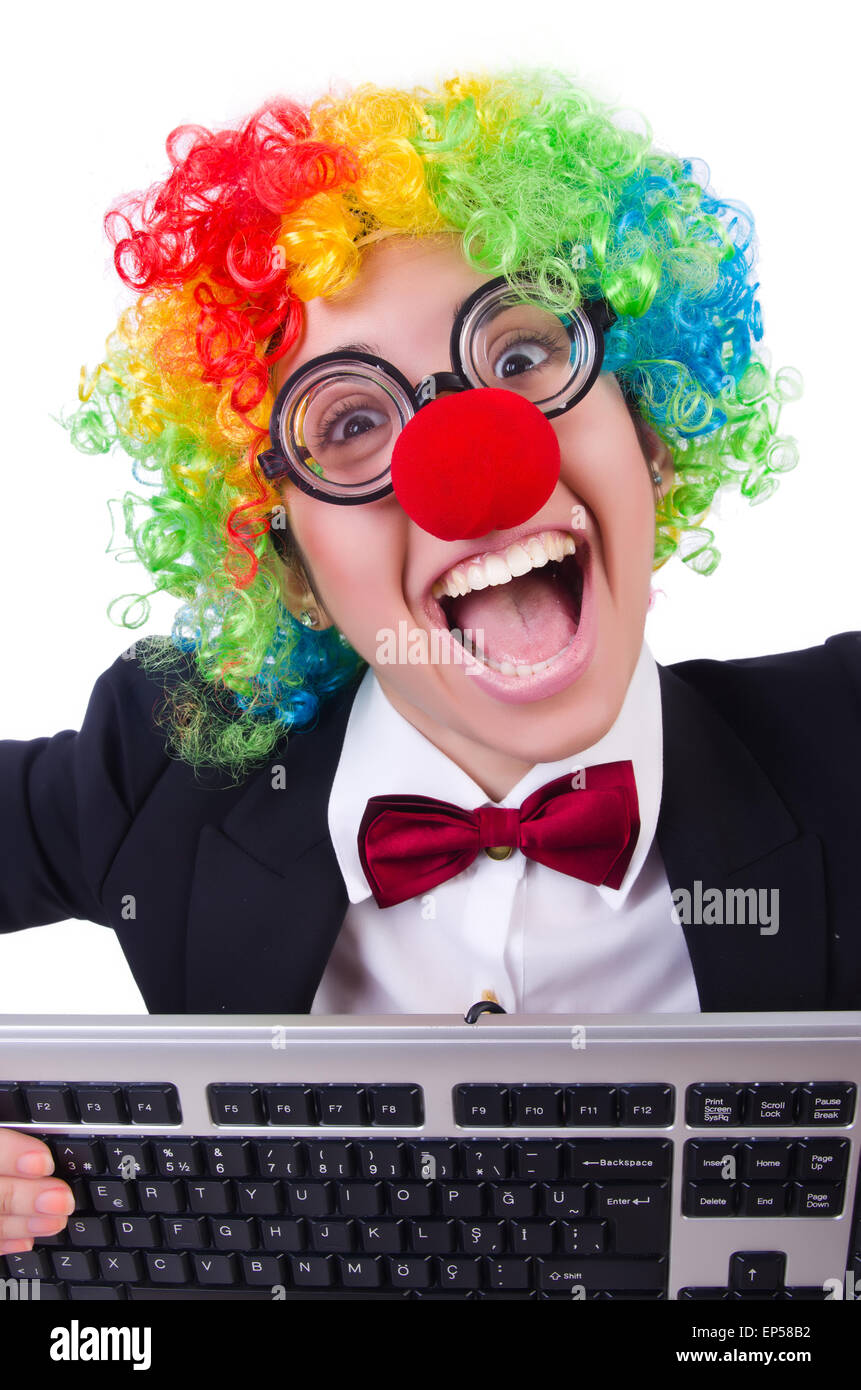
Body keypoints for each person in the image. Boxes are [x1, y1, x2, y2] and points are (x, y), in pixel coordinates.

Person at [0, 68, 858, 1258]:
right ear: (291, 566)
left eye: (523, 354)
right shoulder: (165, 764)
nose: (472, 463)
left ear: (649, 435)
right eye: (351, 423)